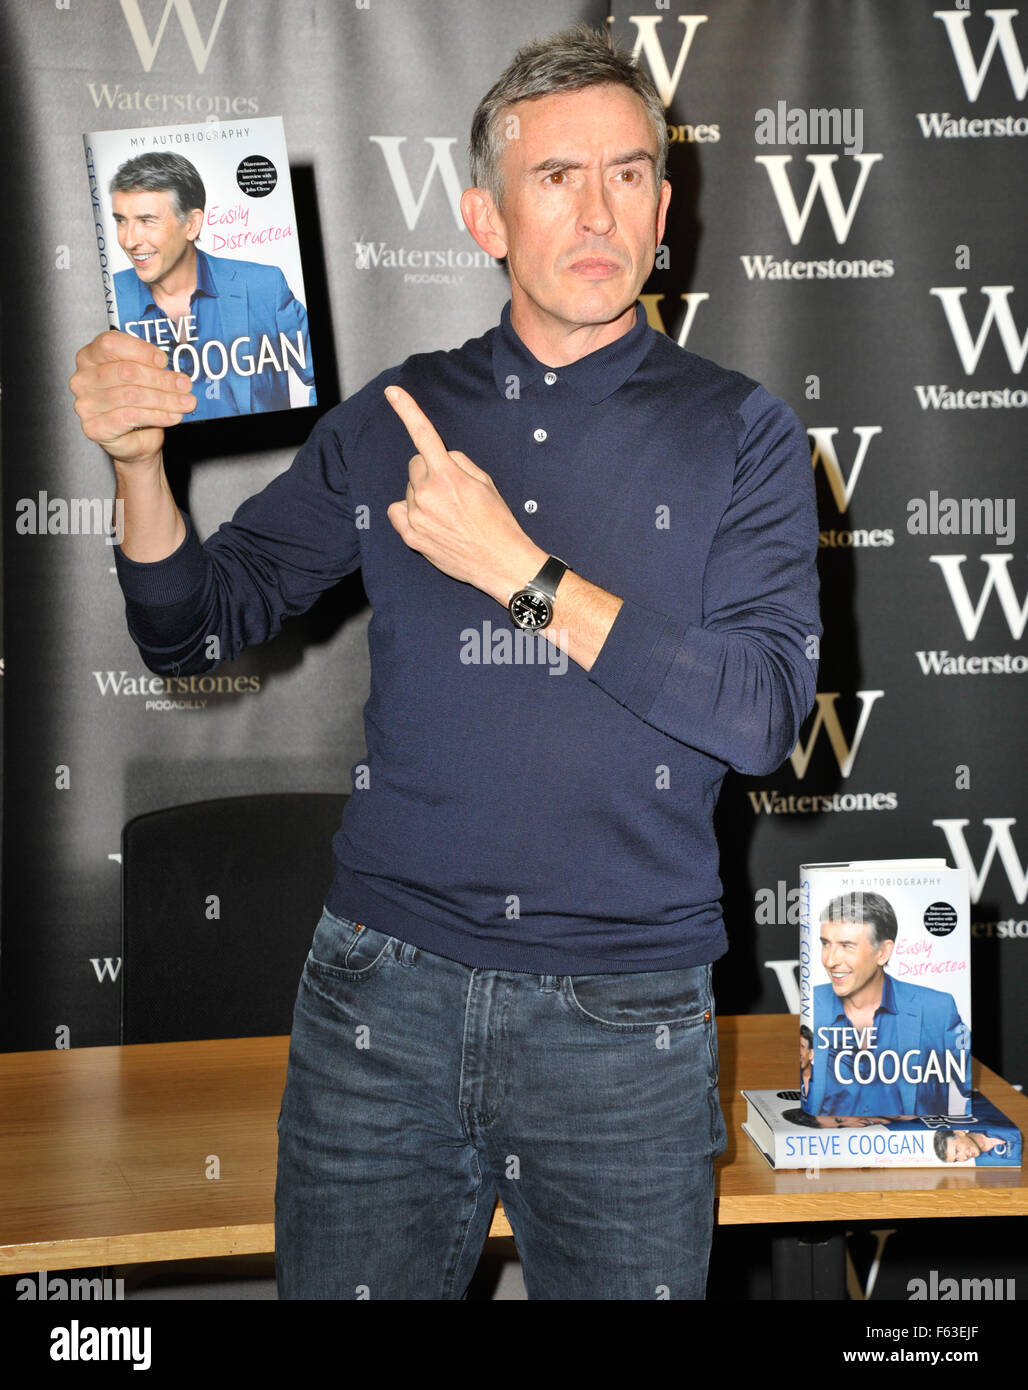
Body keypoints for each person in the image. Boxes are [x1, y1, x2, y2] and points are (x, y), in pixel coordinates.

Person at [69, 25, 820, 1300]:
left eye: (629, 174)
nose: (598, 210)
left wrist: (517, 571)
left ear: (665, 208)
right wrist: (139, 466)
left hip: (626, 1016)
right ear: (483, 215)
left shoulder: (742, 432)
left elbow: (759, 717)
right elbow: (192, 623)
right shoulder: (396, 419)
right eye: (556, 178)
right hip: (382, 995)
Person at [109, 152, 316, 418]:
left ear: (192, 225)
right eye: (121, 221)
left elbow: (326, 377)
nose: (129, 240)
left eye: (146, 220)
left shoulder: (263, 287)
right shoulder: (110, 298)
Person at [808, 892, 971, 1117]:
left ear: (883, 952)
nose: (830, 960)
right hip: (828, 1148)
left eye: (847, 946)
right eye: (826, 944)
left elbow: (973, 1092)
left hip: (911, 1150)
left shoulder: (937, 1009)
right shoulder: (811, 1005)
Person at [934, 1128, 1012, 1165]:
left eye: (957, 1150)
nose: (964, 1158)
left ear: (959, 1133)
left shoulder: (988, 1121)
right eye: (957, 1159)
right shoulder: (985, 1167)